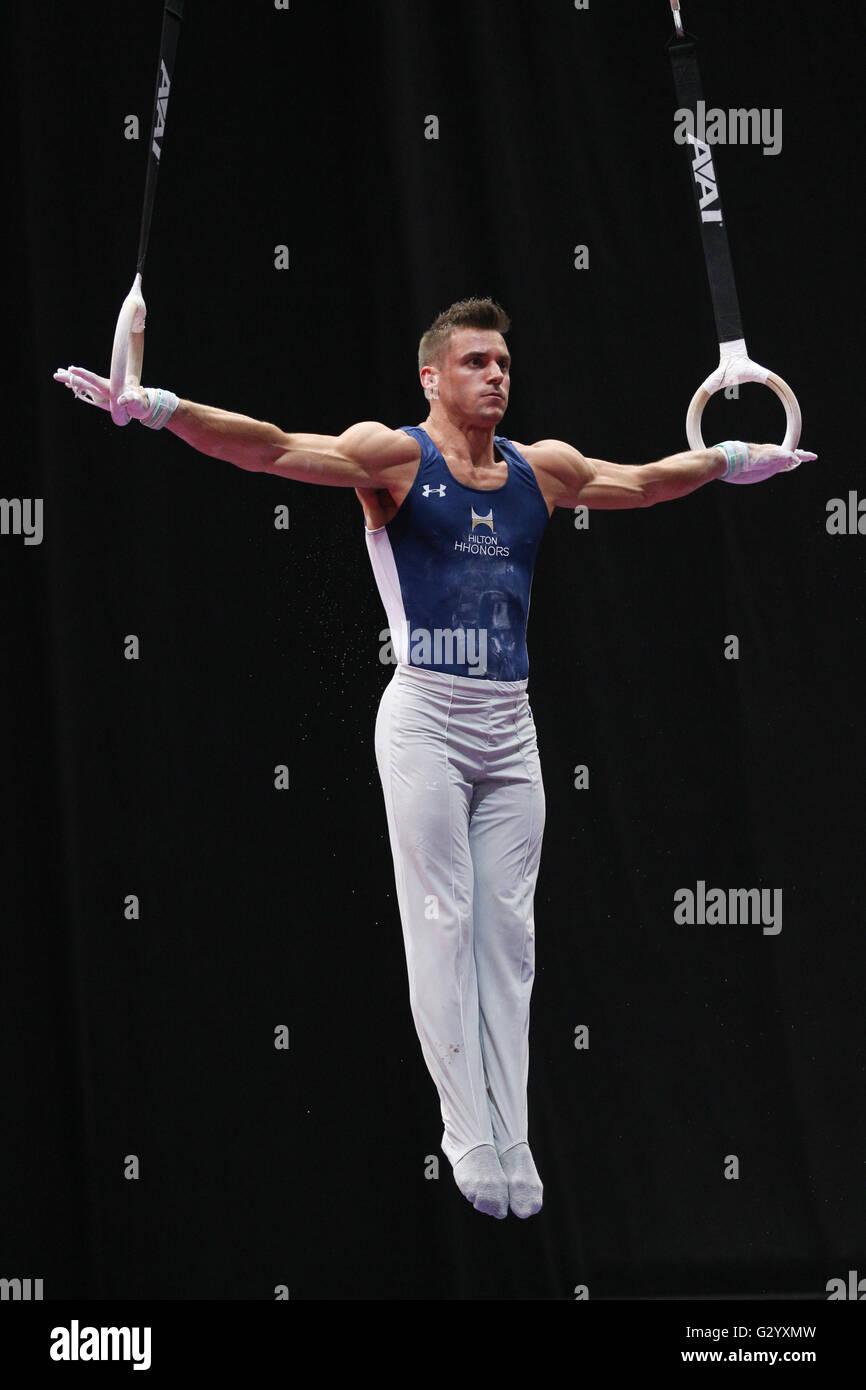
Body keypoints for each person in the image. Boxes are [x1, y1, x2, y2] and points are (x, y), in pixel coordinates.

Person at [54, 297, 816, 1220]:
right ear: (432, 376)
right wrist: (162, 407)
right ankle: (466, 1130)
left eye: (502, 363)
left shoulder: (544, 470)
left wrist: (739, 457)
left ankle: (514, 1132)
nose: (495, 375)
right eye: (475, 363)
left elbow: (650, 481)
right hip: (425, 719)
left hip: (509, 726)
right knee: (444, 922)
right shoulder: (394, 458)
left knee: (511, 940)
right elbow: (268, 445)